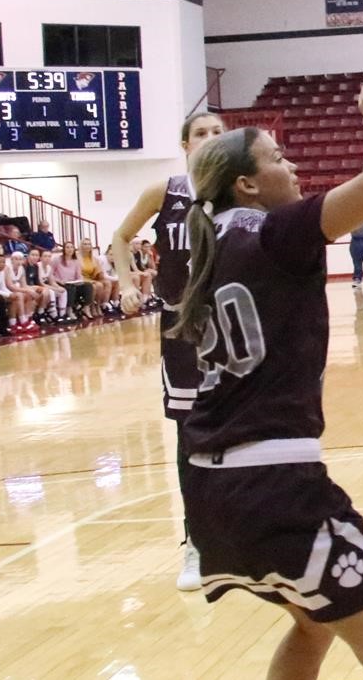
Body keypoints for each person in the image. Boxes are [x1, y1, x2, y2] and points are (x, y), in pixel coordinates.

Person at [169, 75, 363, 677]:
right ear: (247, 184)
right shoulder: (273, 233)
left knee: (314, 622)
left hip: (208, 491)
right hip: (275, 485)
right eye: (278, 158)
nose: (294, 167)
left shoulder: (207, 252)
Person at [111, 109, 230, 593]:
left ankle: (250, 532)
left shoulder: (243, 189)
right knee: (190, 436)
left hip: (234, 325)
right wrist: (125, 284)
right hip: (183, 328)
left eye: (218, 132)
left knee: (248, 427)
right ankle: (196, 540)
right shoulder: (165, 191)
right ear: (186, 145)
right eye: (201, 133)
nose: (210, 138)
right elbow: (121, 237)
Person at [79, 241, 119, 315]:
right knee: (96, 286)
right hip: (82, 279)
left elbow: (99, 271)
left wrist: (101, 275)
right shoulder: (78, 258)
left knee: (107, 282)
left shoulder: (94, 258)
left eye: (89, 244)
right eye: (85, 244)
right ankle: (92, 306)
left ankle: (101, 305)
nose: (87, 246)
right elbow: (77, 273)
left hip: (93, 278)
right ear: (81, 246)